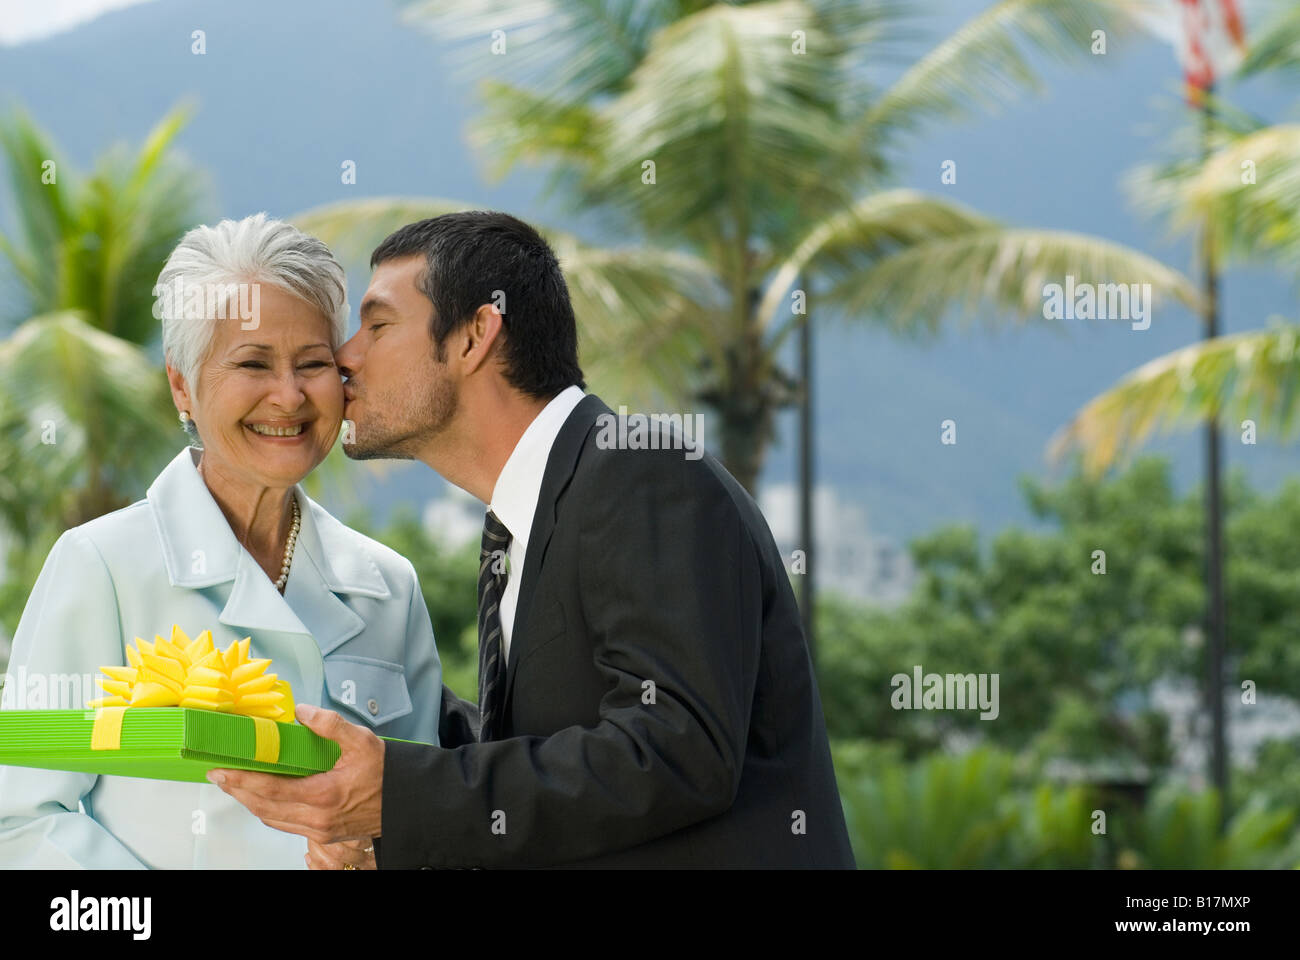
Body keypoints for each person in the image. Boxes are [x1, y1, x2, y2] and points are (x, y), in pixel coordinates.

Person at [210, 210, 855, 868]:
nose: (345, 356)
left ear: (475, 336)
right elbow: (557, 761)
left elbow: (676, 748)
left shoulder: (639, 473)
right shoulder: (527, 523)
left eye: (377, 325)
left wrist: (396, 796)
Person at [0, 213, 442, 869]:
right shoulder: (101, 567)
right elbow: (22, 821)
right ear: (182, 384)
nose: (288, 397)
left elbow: (428, 810)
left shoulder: (389, 586)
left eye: (313, 362)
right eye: (253, 363)